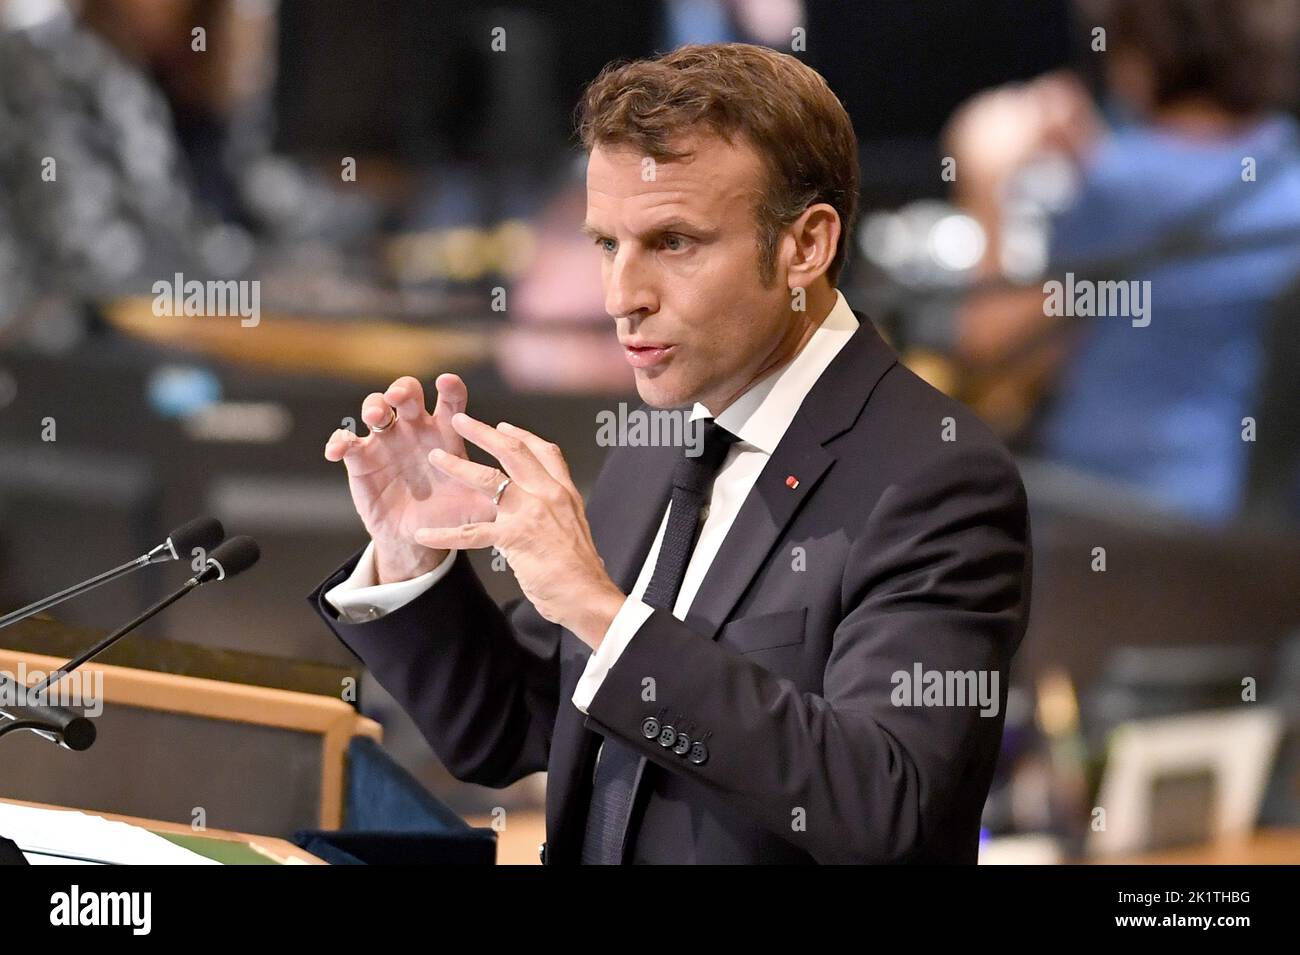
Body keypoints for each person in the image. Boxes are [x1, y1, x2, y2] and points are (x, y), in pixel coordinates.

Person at [310, 43, 1031, 864]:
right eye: (608, 244)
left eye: (674, 242)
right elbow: (513, 725)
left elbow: (887, 805)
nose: (622, 297)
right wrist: (414, 560)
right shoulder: (667, 439)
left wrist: (595, 606)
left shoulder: (935, 477)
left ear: (806, 247)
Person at [947, 0, 1300, 524]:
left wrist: (984, 187)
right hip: (1250, 527)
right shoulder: (1284, 167)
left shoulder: (1120, 187)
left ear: (1140, 53)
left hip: (1117, 514)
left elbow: (992, 349)